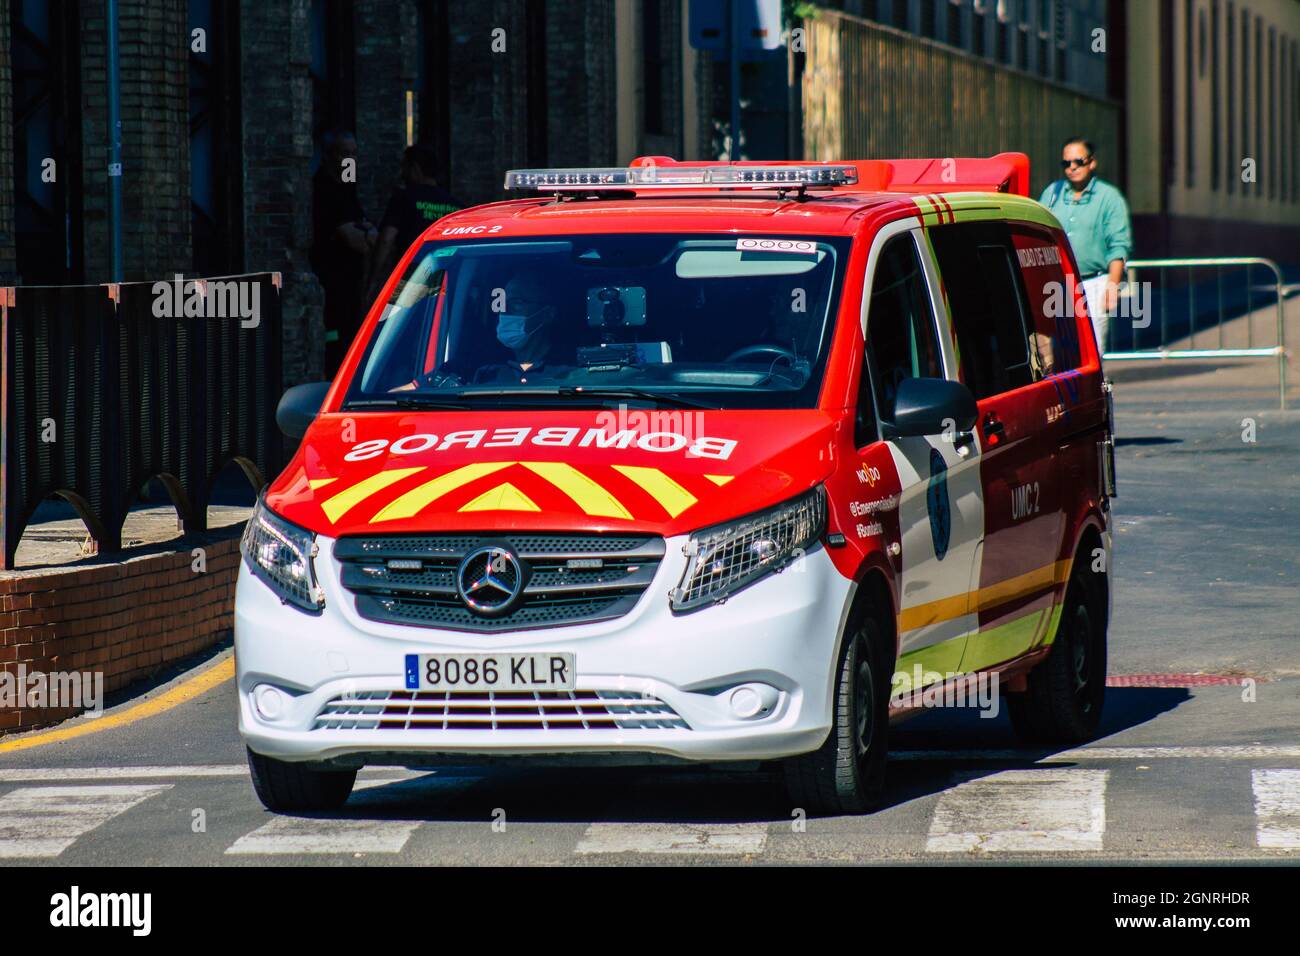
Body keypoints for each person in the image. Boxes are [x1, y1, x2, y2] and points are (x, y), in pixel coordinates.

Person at [1038, 137, 1133, 357]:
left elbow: (1118, 245)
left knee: (1091, 353)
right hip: (1057, 284)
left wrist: (1112, 286)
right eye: (1066, 163)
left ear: (1092, 163)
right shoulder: (1052, 193)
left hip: (1094, 282)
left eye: (1078, 162)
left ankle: (1091, 391)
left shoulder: (1109, 198)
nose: (1072, 168)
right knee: (1058, 355)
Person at [311, 129, 377, 376]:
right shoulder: (326, 190)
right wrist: (367, 234)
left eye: (354, 154)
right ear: (329, 156)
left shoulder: (347, 187)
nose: (350, 160)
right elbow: (356, 239)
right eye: (344, 154)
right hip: (331, 282)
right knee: (336, 340)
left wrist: (366, 232)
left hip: (351, 283)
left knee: (351, 336)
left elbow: (369, 229)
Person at [365, 145, 462, 303]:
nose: (402, 174)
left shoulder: (403, 198)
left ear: (415, 168)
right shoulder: (455, 206)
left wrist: (373, 280)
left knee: (399, 322)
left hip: (409, 278)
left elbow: (386, 240)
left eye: (404, 167)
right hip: (445, 279)